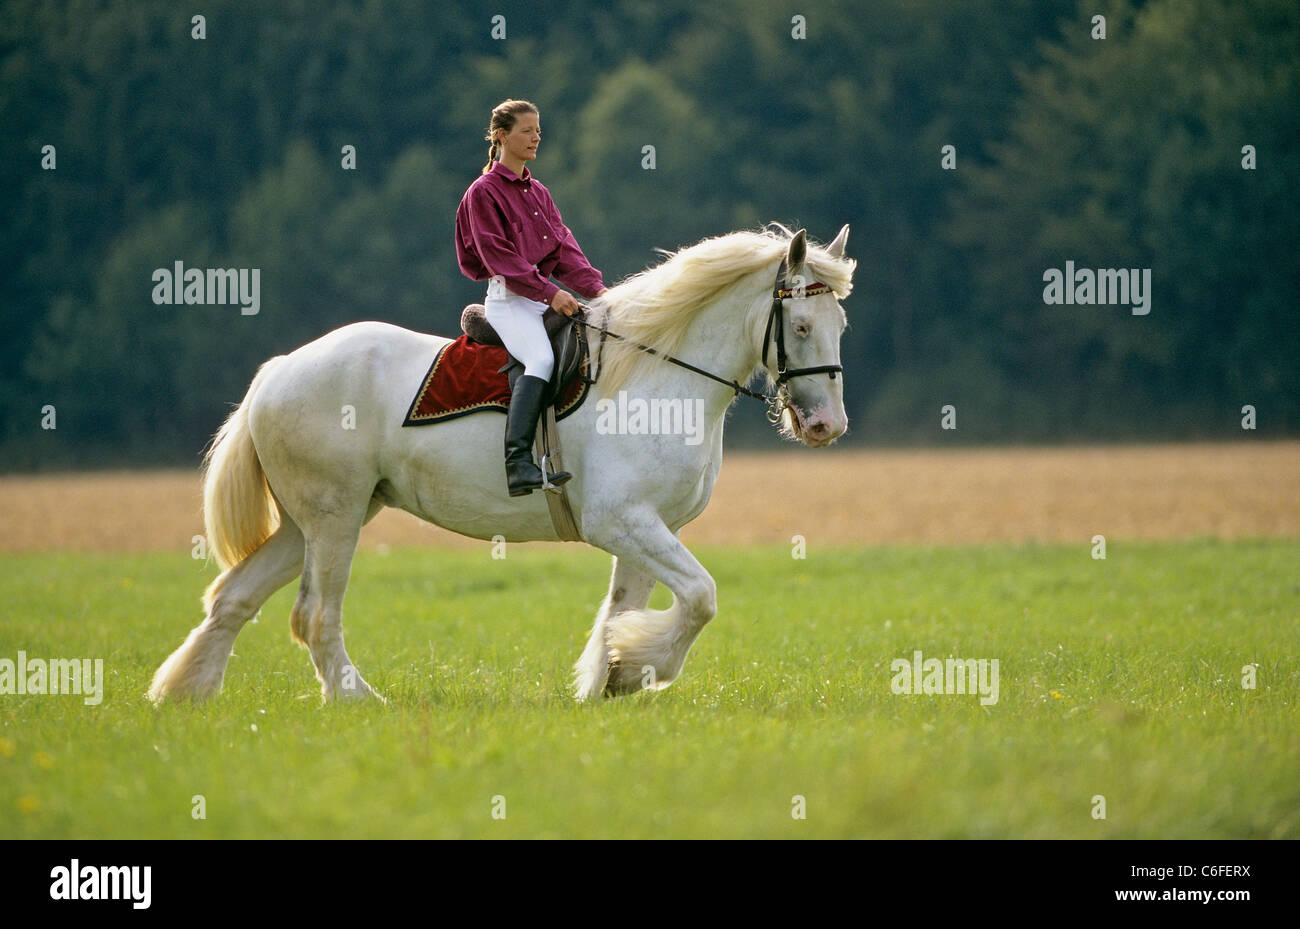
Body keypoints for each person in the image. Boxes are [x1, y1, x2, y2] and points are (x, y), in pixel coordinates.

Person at [455, 98, 608, 497]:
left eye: (538, 130)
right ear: (502, 136)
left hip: (540, 298)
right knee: (540, 358)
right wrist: (551, 292)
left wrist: (601, 292)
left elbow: (565, 249)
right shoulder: (482, 193)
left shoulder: (538, 192)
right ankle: (517, 462)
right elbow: (499, 258)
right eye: (527, 130)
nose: (536, 137)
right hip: (508, 301)